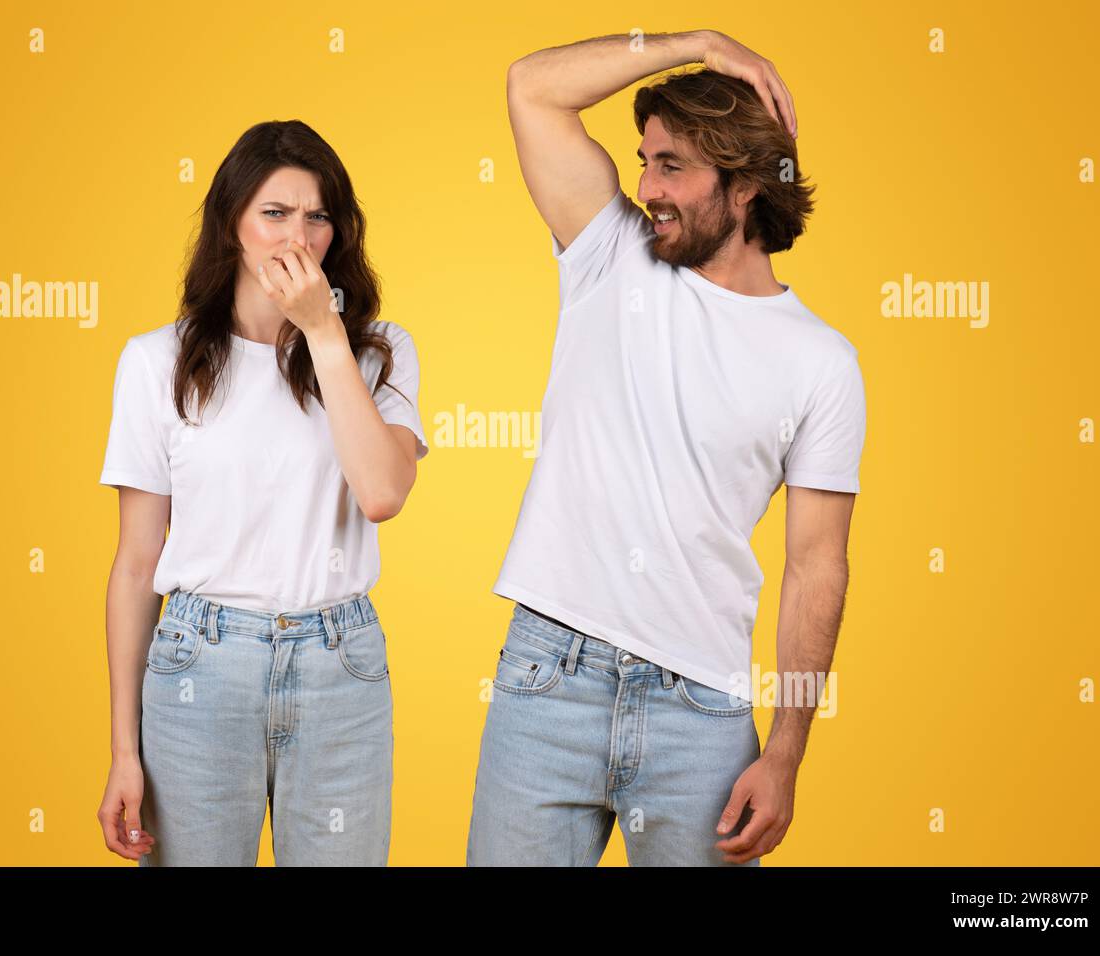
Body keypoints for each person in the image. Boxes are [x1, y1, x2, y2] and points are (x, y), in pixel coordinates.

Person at [467, 29, 866, 866]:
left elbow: (816, 569)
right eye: (643, 160)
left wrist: (787, 752)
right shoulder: (609, 254)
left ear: (748, 186)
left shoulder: (822, 363)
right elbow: (532, 87)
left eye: (672, 166)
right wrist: (694, 43)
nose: (645, 186)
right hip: (549, 681)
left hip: (704, 713)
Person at [95, 120, 428, 866]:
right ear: (232, 225)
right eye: (274, 214)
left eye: (316, 215)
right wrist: (124, 751)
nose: (297, 236)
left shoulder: (381, 351)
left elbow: (381, 492)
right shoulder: (156, 363)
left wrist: (324, 333)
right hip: (200, 667)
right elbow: (135, 564)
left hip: (341, 662)